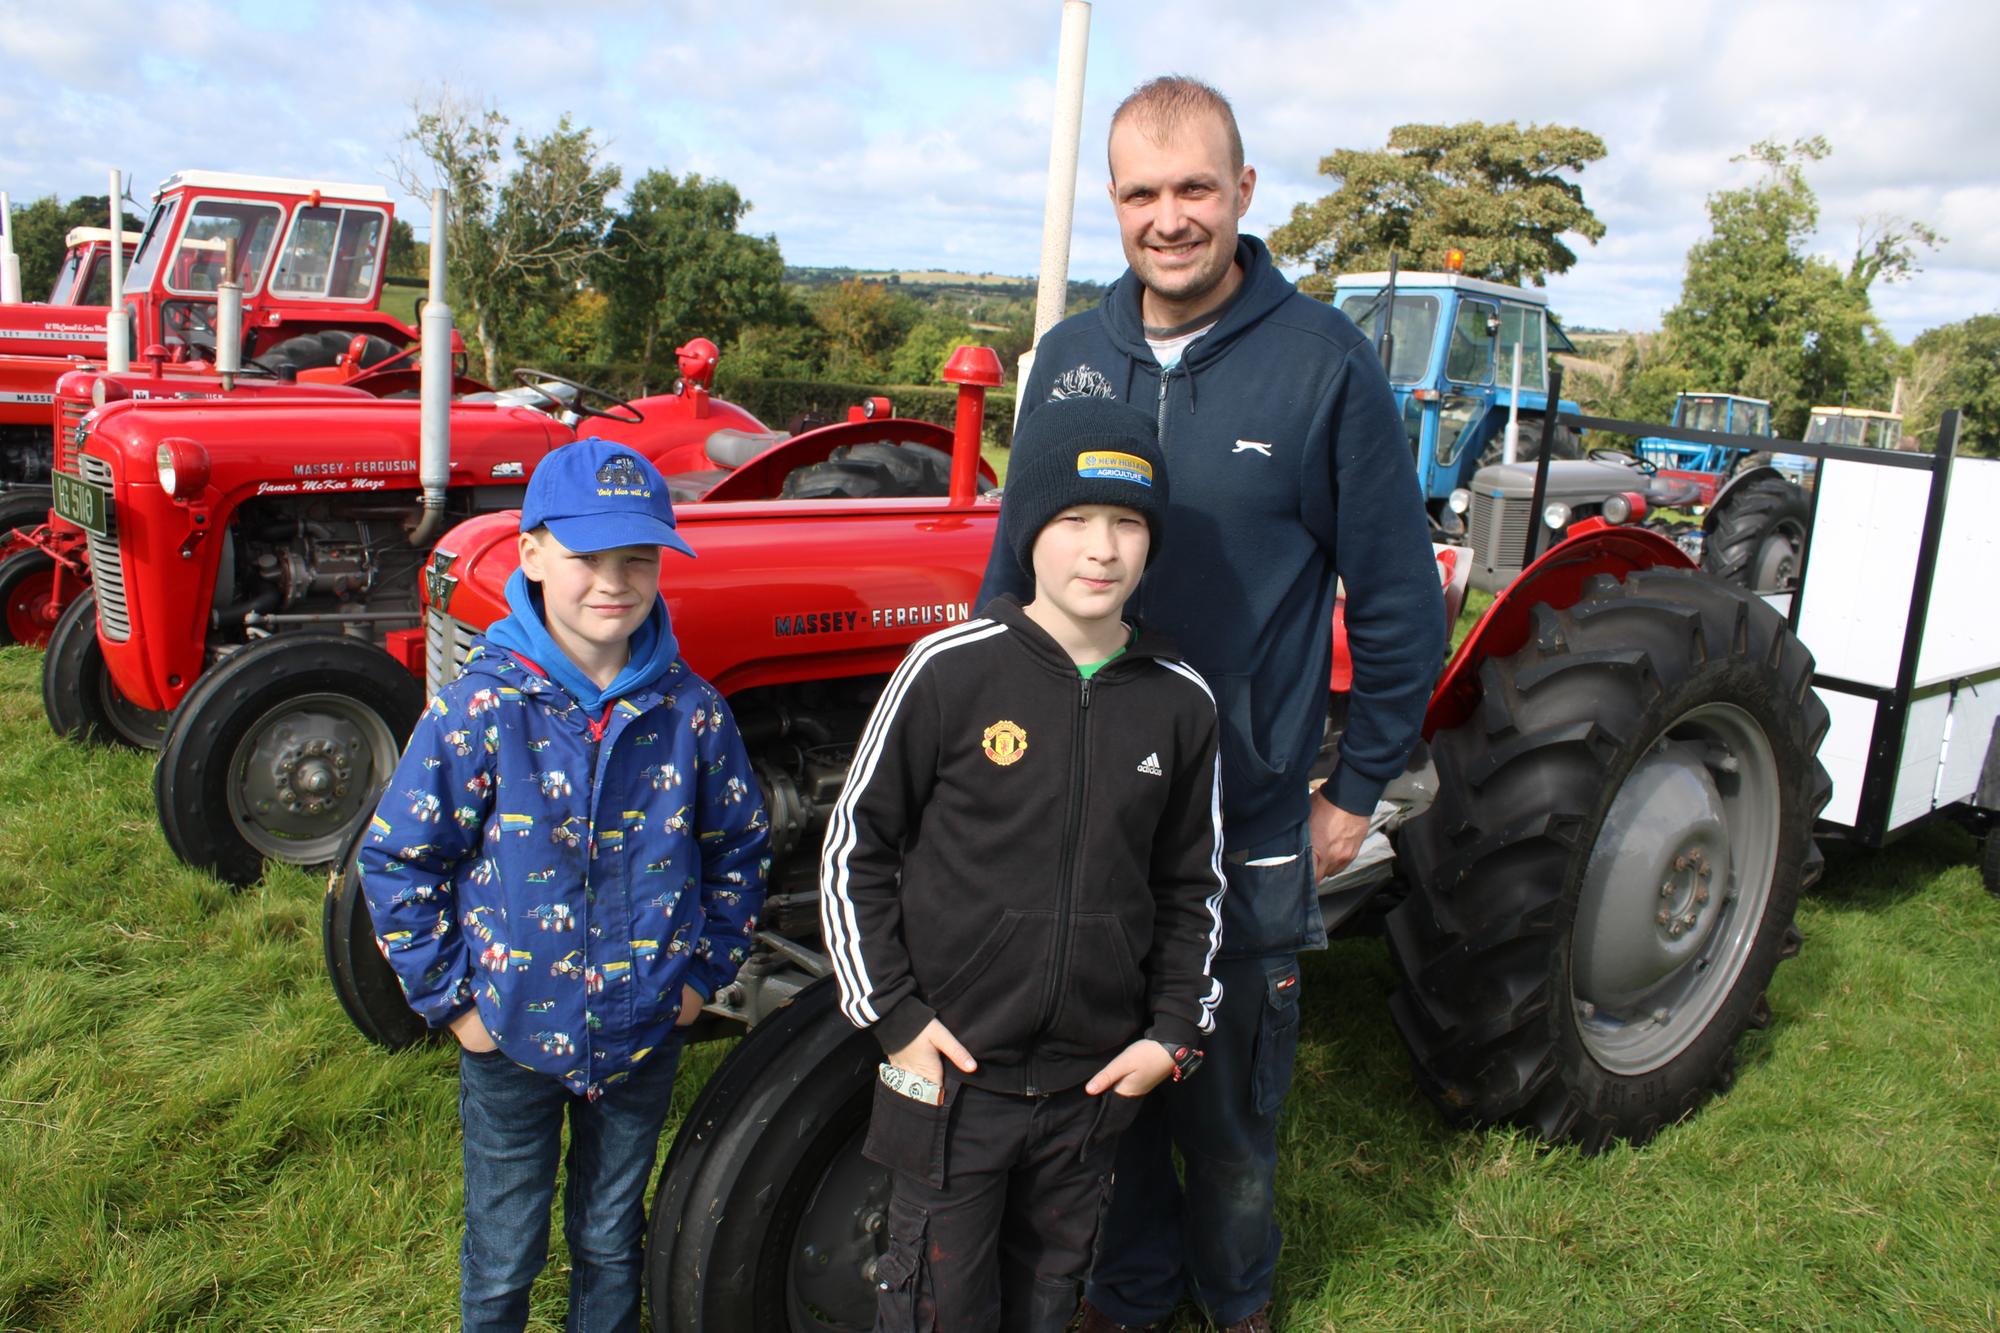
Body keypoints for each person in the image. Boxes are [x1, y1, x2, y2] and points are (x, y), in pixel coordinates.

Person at [979, 77, 1445, 1332]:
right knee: (1102, 1094)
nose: (1168, 217)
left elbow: (1399, 600)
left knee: (1230, 1115)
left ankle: (1234, 1304)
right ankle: (1130, 1300)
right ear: (1113, 205)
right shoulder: (1071, 361)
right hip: (1086, 822)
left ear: (1243, 194)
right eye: (1141, 192)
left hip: (1243, 819)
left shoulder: (1323, 369)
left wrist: (1355, 787)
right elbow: (1006, 581)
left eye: (1195, 189)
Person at [822, 396, 1227, 1332]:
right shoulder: (949, 669)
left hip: (1092, 1086)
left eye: (1128, 522)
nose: (1102, 548)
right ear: (1029, 532)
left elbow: (1193, 887)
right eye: (1075, 519)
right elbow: (855, 846)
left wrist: (1171, 1034)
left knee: (1048, 1297)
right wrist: (894, 1015)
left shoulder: (1181, 702)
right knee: (935, 1303)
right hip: (953, 1074)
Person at [360, 438, 771, 1333]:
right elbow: (396, 857)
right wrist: (455, 1001)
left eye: (638, 559)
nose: (612, 583)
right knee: (506, 1248)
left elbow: (738, 847)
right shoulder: (482, 705)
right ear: (534, 554)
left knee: (611, 1236)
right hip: (507, 1032)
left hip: (643, 1030)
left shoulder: (691, 712)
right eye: (588, 557)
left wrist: (700, 979)